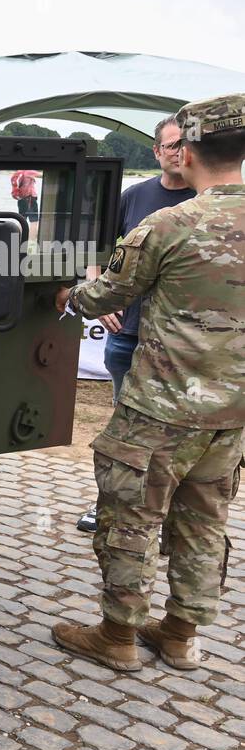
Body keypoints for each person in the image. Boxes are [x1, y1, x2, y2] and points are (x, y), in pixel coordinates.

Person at [52, 93, 245, 673]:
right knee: (204, 521)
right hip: (231, 414)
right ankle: (181, 634)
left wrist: (66, 295)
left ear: (184, 152)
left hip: (159, 409)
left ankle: (117, 636)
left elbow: (106, 295)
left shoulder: (171, 223)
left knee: (130, 518)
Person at [76, 117, 196, 533]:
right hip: (129, 339)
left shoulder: (208, 200)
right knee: (123, 431)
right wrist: (94, 282)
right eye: (171, 144)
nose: (178, 151)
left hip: (184, 348)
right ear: (157, 151)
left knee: (179, 436)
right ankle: (108, 506)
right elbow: (98, 244)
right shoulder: (135, 196)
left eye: (186, 143)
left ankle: (167, 517)